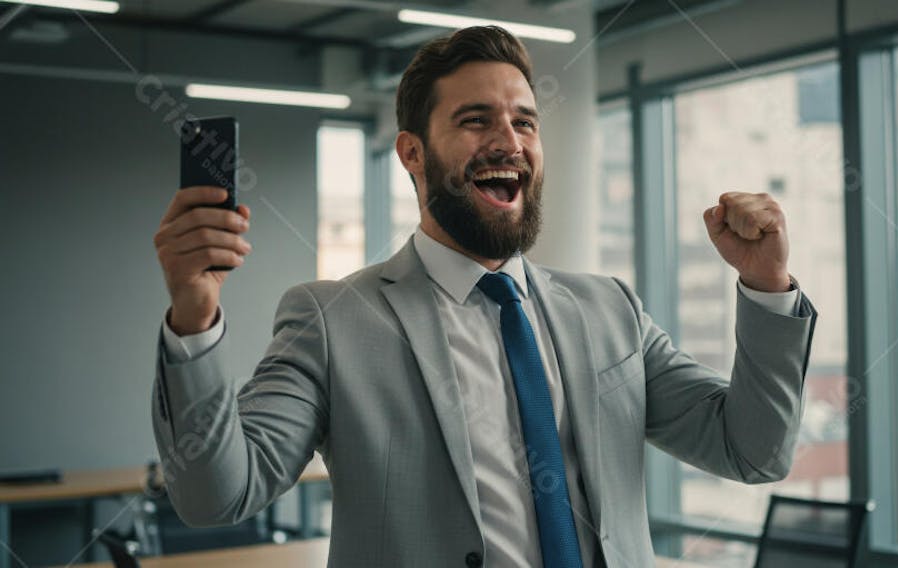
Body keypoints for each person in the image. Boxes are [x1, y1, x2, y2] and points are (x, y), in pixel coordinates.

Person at [151, 26, 816, 568]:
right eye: (476, 120)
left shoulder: (611, 310)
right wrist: (194, 314)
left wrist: (765, 287)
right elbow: (217, 496)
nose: (508, 141)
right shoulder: (331, 321)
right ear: (412, 154)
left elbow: (752, 452)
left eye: (525, 122)